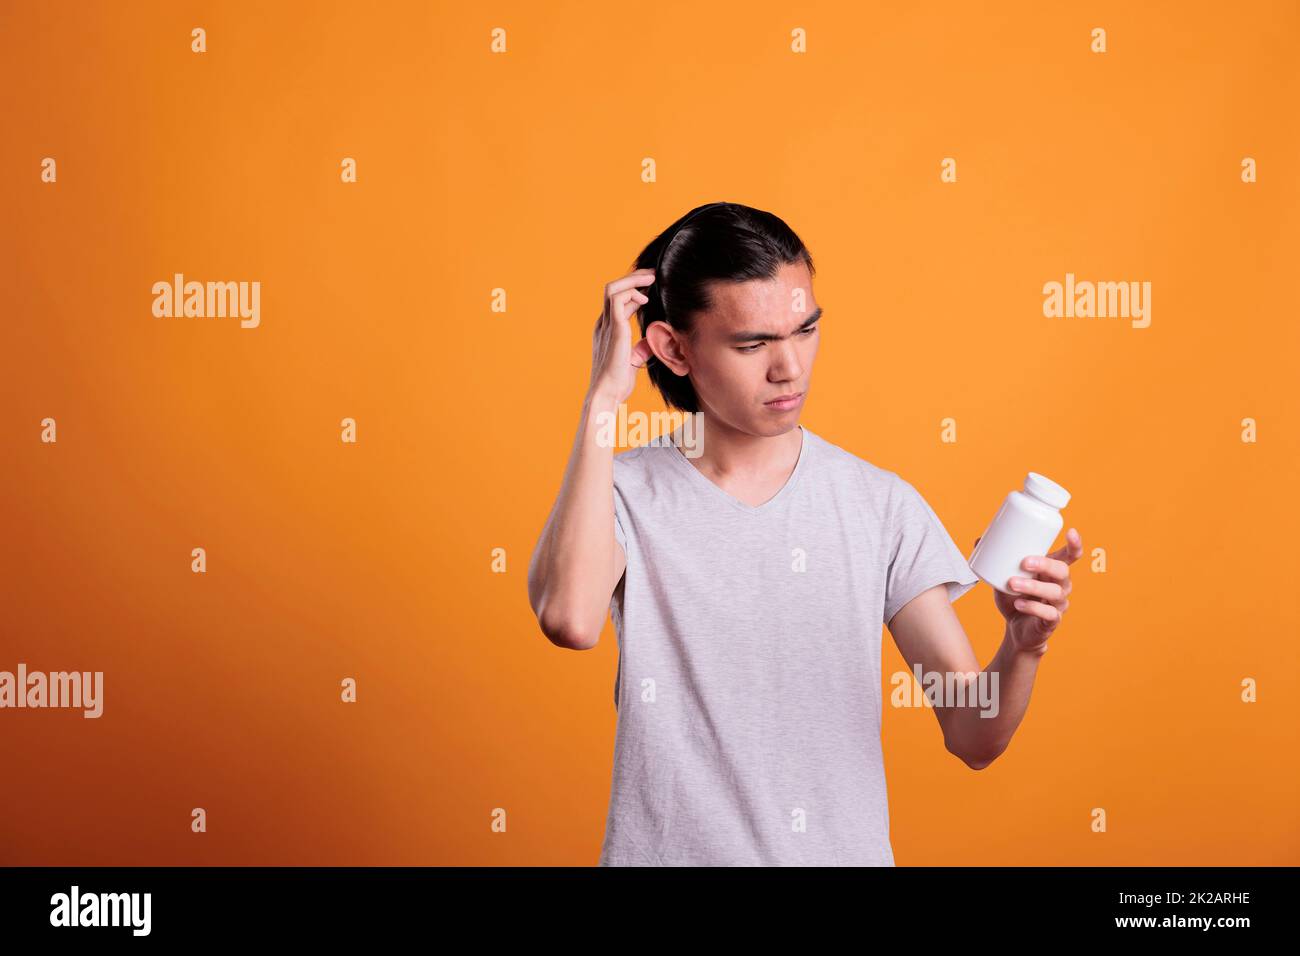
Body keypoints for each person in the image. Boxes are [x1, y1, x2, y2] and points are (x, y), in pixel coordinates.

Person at [526, 201, 1082, 866]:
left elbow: (972, 733)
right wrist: (604, 400)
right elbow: (570, 620)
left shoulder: (877, 506)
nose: (789, 367)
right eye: (753, 344)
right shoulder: (619, 493)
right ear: (674, 347)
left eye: (805, 329)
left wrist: (1023, 646)